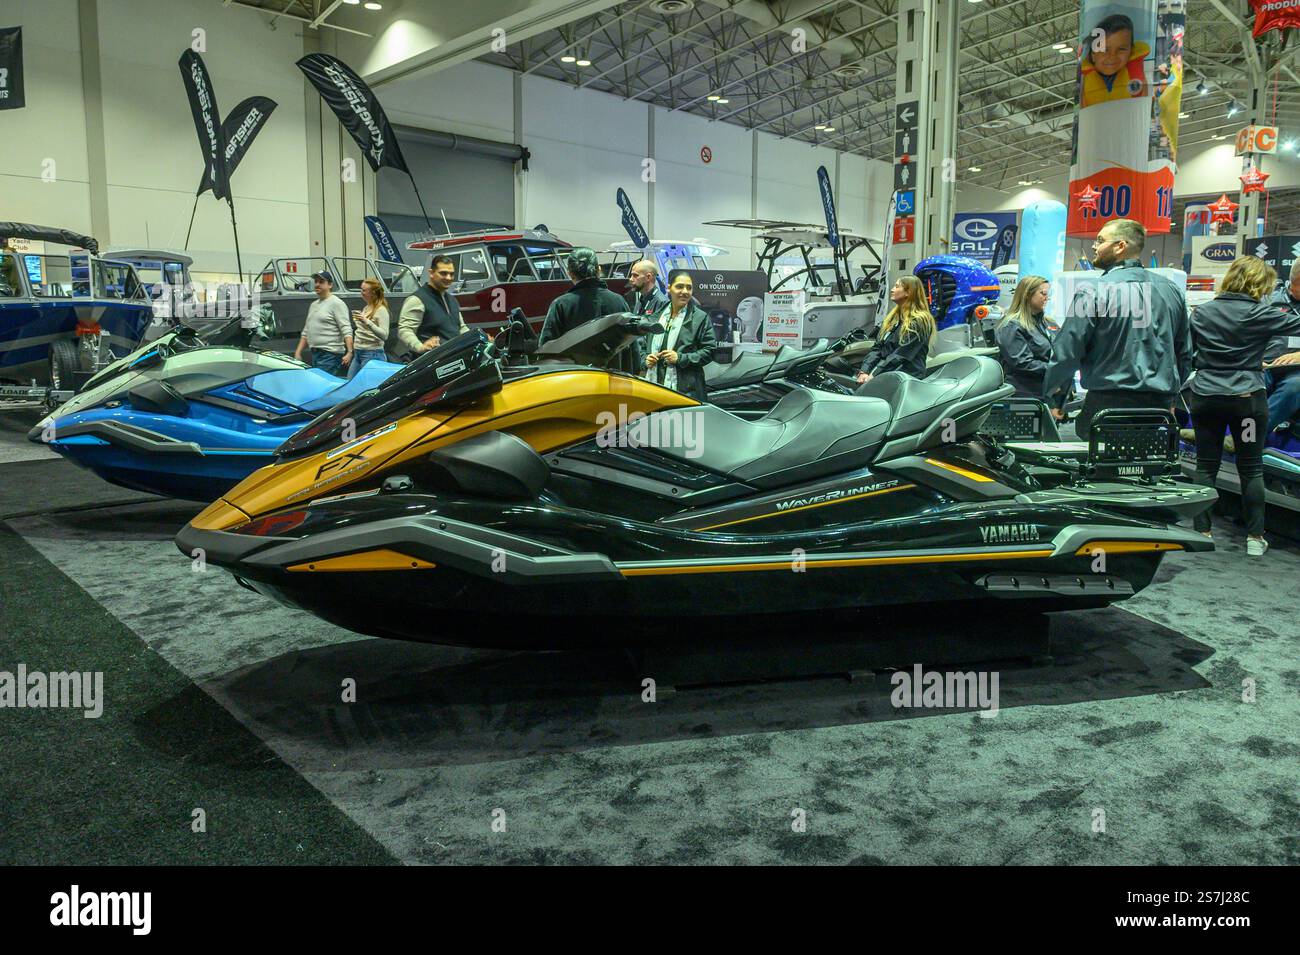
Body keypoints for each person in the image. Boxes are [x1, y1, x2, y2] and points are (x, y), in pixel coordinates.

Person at [1188, 255, 1300, 556]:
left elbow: (1186, 354)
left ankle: (1202, 532)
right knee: (1250, 469)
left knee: (1205, 466)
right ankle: (1254, 539)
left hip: (1206, 397)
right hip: (1246, 401)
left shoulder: (1202, 312)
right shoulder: (1262, 313)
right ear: (1257, 283)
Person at [1042, 218, 1191, 440]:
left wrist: (1051, 394)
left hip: (1107, 404)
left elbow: (1068, 351)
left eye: (1100, 240)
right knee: (1150, 468)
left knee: (1103, 470)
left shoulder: (1093, 291)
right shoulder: (1171, 291)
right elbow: (1184, 353)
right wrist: (1169, 393)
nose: (1094, 246)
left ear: (1120, 246)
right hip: (1158, 408)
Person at [643, 270, 717, 401]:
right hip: (654, 386)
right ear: (668, 288)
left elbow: (709, 351)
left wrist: (680, 358)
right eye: (679, 286)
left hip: (687, 392)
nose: (685, 291)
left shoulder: (700, 318)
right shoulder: (655, 317)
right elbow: (641, 346)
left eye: (689, 287)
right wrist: (645, 358)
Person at [538, 248, 629, 345]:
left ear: (570, 273)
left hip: (574, 360)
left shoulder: (560, 305)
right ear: (598, 269)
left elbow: (546, 347)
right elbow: (631, 345)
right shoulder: (619, 301)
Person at [856, 275, 936, 384]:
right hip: (886, 372)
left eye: (897, 286)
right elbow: (877, 348)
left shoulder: (920, 321)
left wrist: (874, 375)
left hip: (906, 379)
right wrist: (864, 371)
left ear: (909, 292)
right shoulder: (892, 319)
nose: (892, 289)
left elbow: (900, 355)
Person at [994, 275, 1054, 398]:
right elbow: (1023, 362)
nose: (1047, 297)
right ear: (1027, 294)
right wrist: (1056, 369)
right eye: (1043, 293)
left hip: (1048, 391)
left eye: (1048, 293)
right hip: (1025, 395)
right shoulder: (1011, 326)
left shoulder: (1048, 323)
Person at [397, 254, 467, 357]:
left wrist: (479, 338)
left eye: (451, 274)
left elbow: (461, 328)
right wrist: (420, 347)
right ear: (431, 273)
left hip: (453, 359)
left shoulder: (452, 300)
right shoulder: (417, 300)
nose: (448, 278)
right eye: (443, 273)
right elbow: (405, 330)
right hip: (431, 364)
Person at [1080, 14, 1149, 109]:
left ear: (1131, 51)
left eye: (1121, 49)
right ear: (1093, 54)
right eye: (1104, 49)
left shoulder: (1134, 73)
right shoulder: (1083, 79)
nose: (1112, 57)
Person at [1264, 257, 1300, 432]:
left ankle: (1249, 437)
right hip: (1265, 365)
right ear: (1293, 281)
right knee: (1250, 382)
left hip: (1296, 371)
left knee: (1295, 386)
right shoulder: (1271, 299)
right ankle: (1215, 433)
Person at [294, 271, 353, 377]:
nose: (317, 284)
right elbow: (306, 331)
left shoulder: (336, 303)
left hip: (330, 355)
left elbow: (346, 328)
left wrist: (349, 352)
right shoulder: (314, 305)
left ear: (330, 285)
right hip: (316, 353)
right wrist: (298, 352)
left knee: (321, 385)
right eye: (316, 282)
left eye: (321, 282)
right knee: (319, 385)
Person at [348, 278, 391, 378]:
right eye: (361, 289)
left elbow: (385, 335)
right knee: (351, 384)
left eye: (364, 290)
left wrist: (367, 322)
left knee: (369, 387)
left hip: (372, 354)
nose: (361, 293)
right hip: (358, 353)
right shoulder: (366, 308)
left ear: (373, 293)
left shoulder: (381, 310)